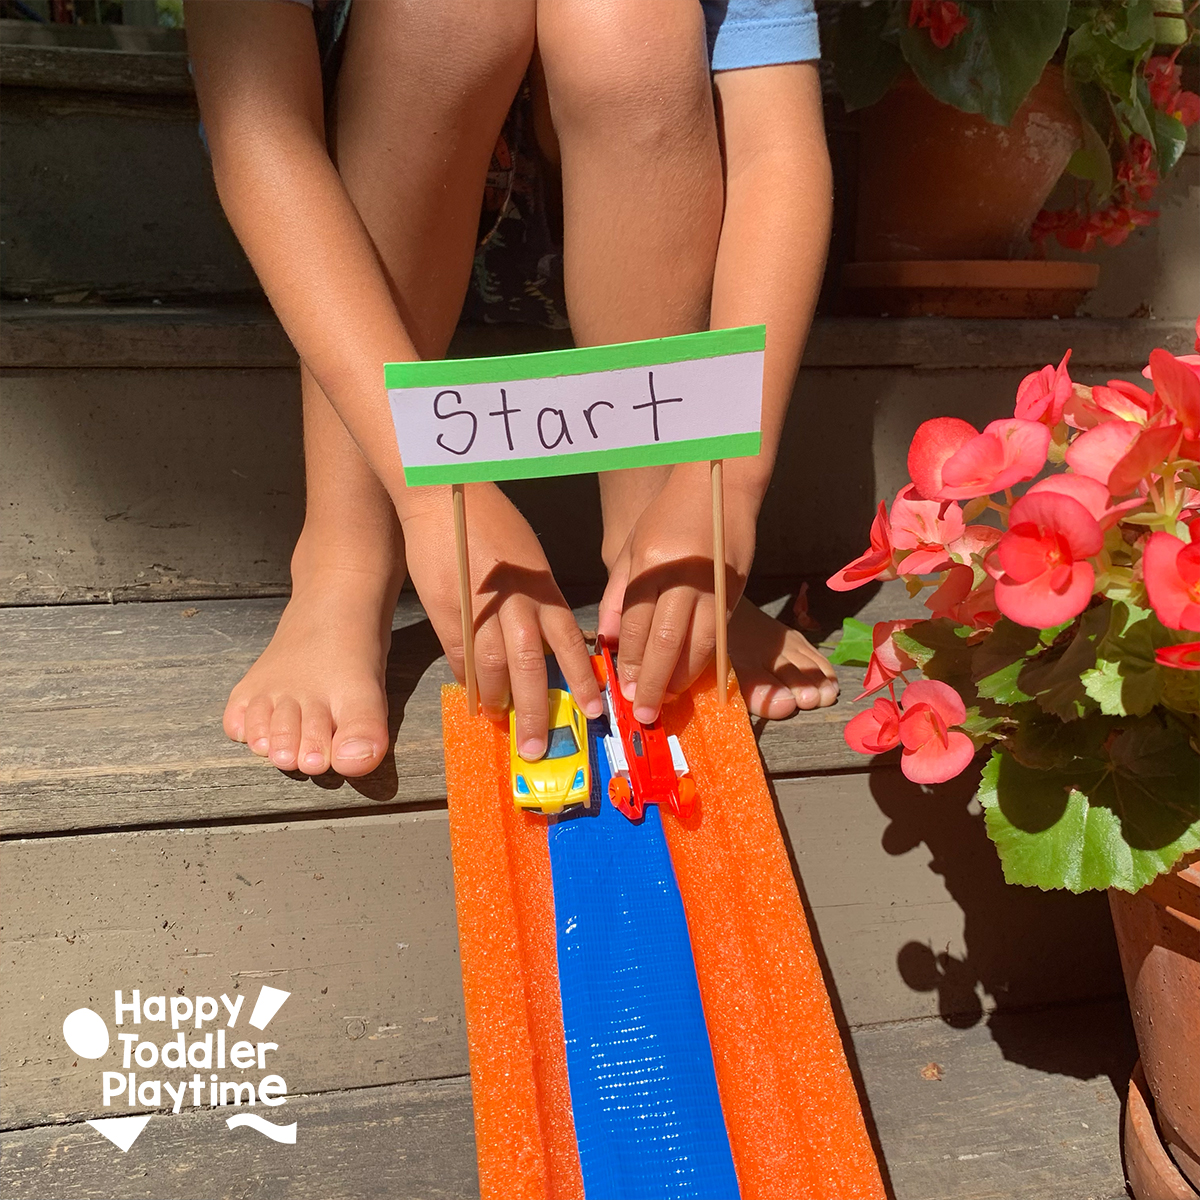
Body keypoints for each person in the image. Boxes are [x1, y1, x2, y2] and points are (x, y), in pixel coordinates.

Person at [185, 0, 838, 779]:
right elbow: (259, 132)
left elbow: (777, 156)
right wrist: (433, 487)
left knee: (631, 19)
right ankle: (346, 555)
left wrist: (724, 480)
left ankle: (656, 549)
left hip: (624, 212)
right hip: (354, 238)